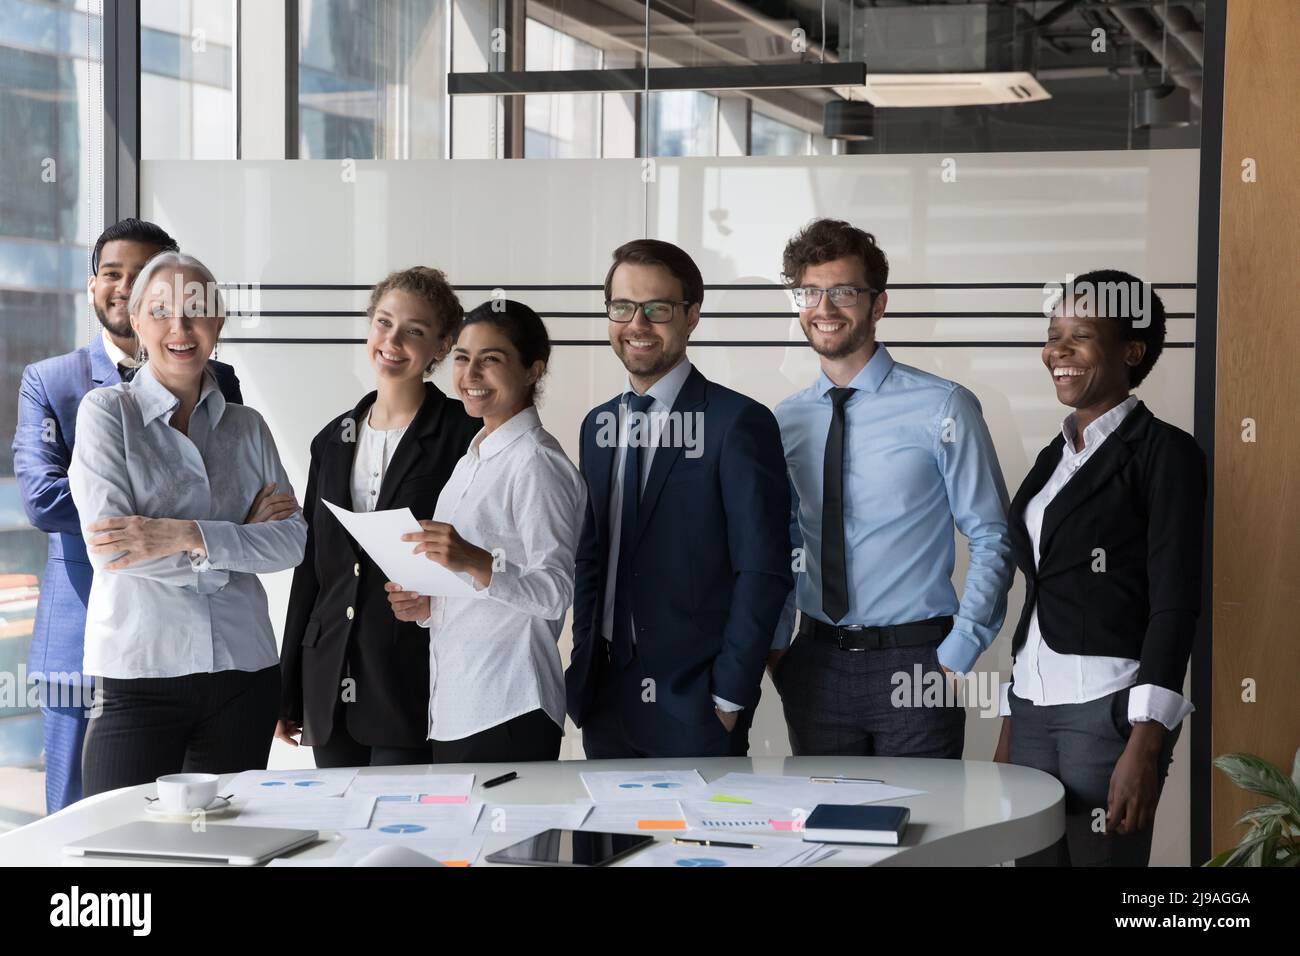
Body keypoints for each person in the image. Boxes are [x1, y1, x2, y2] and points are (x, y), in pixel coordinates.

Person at [11, 220, 243, 812]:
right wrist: (148, 518)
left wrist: (153, 520)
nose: (125, 285)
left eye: (141, 274)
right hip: (82, 629)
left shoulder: (221, 379)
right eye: (113, 273)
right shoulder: (52, 380)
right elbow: (40, 498)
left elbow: (231, 495)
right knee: (79, 817)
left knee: (199, 819)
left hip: (184, 637)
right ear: (94, 288)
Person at [770, 219, 1013, 758]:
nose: (825, 307)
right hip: (814, 663)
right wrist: (777, 649)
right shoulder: (786, 420)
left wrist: (957, 653)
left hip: (917, 660)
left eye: (844, 291)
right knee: (826, 837)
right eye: (810, 291)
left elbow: (993, 535)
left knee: (920, 833)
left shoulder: (943, 406)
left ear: (878, 305)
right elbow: (783, 540)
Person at [67, 252, 304, 796]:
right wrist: (236, 540)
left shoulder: (248, 426)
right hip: (139, 670)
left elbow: (291, 541)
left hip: (244, 675)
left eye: (197, 311)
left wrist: (184, 535)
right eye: (162, 310)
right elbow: (114, 551)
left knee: (227, 843)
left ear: (218, 324)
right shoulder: (107, 414)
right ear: (137, 322)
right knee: (120, 841)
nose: (181, 327)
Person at [993, 270, 1204, 866]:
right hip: (1033, 708)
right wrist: (1012, 713)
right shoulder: (1052, 459)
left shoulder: (1167, 453)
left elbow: (1175, 602)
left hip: (1110, 710)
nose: (1056, 351)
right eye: (1053, 333)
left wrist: (1148, 737)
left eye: (1079, 336)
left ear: (1131, 352)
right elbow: (1039, 593)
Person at [565, 239, 792, 759]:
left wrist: (730, 694)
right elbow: (590, 557)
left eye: (658, 309)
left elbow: (764, 570)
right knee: (604, 842)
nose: (637, 324)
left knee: (693, 845)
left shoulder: (737, 423)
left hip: (696, 705)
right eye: (622, 307)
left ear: (691, 316)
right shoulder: (597, 425)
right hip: (604, 699)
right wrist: (583, 661)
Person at [277, 268, 479, 767]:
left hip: (412, 678)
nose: (393, 341)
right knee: (341, 838)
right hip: (328, 678)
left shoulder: (463, 435)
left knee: (406, 836)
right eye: (384, 323)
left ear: (441, 345)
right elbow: (311, 570)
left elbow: (484, 551)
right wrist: (287, 688)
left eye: (414, 330)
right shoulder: (331, 439)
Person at [384, 300, 585, 763]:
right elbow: (479, 593)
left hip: (509, 706)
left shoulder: (536, 463)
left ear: (533, 370)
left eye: (490, 360)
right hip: (457, 704)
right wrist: (426, 606)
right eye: (462, 357)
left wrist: (473, 560)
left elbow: (555, 592)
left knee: (507, 840)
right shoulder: (471, 458)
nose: (470, 373)